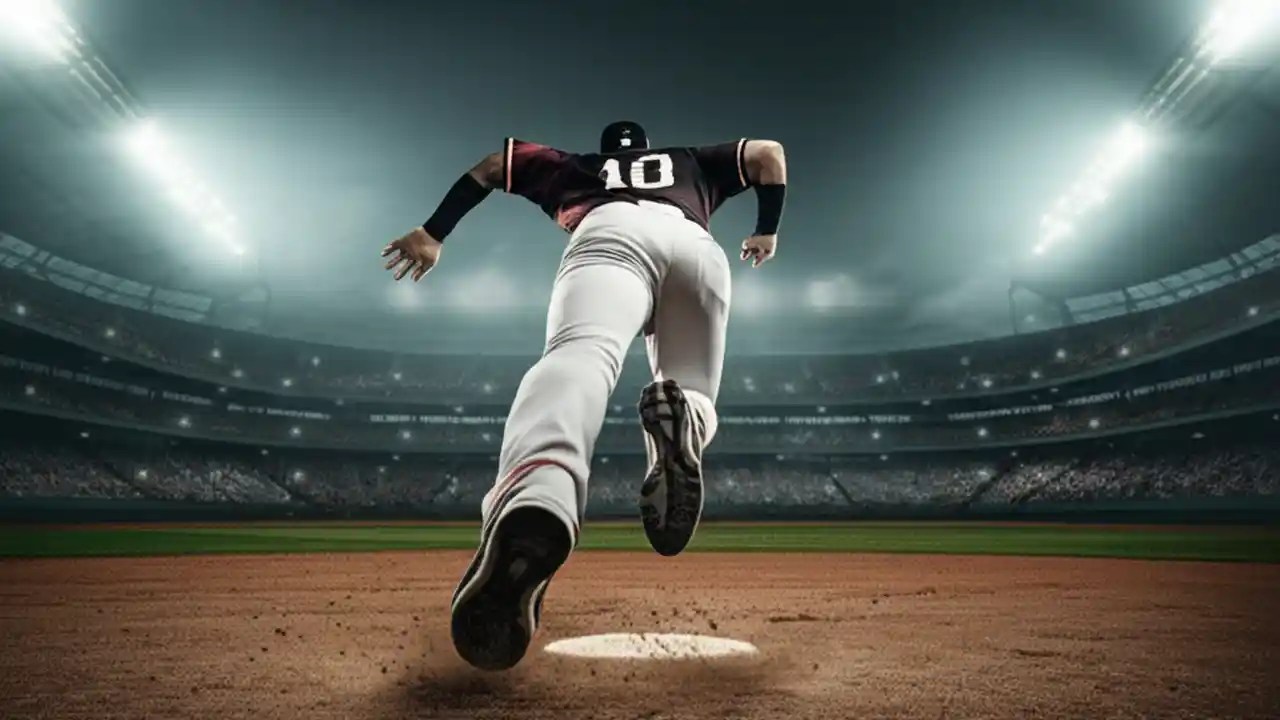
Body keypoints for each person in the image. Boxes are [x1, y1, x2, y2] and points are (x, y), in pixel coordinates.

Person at [381, 121, 788, 670]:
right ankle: (685, 421)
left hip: (609, 236)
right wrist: (768, 228)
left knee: (580, 356)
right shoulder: (691, 159)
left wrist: (434, 232)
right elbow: (767, 153)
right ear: (647, 150)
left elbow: (490, 167)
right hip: (696, 246)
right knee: (692, 388)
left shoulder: (572, 166)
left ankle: (540, 494)